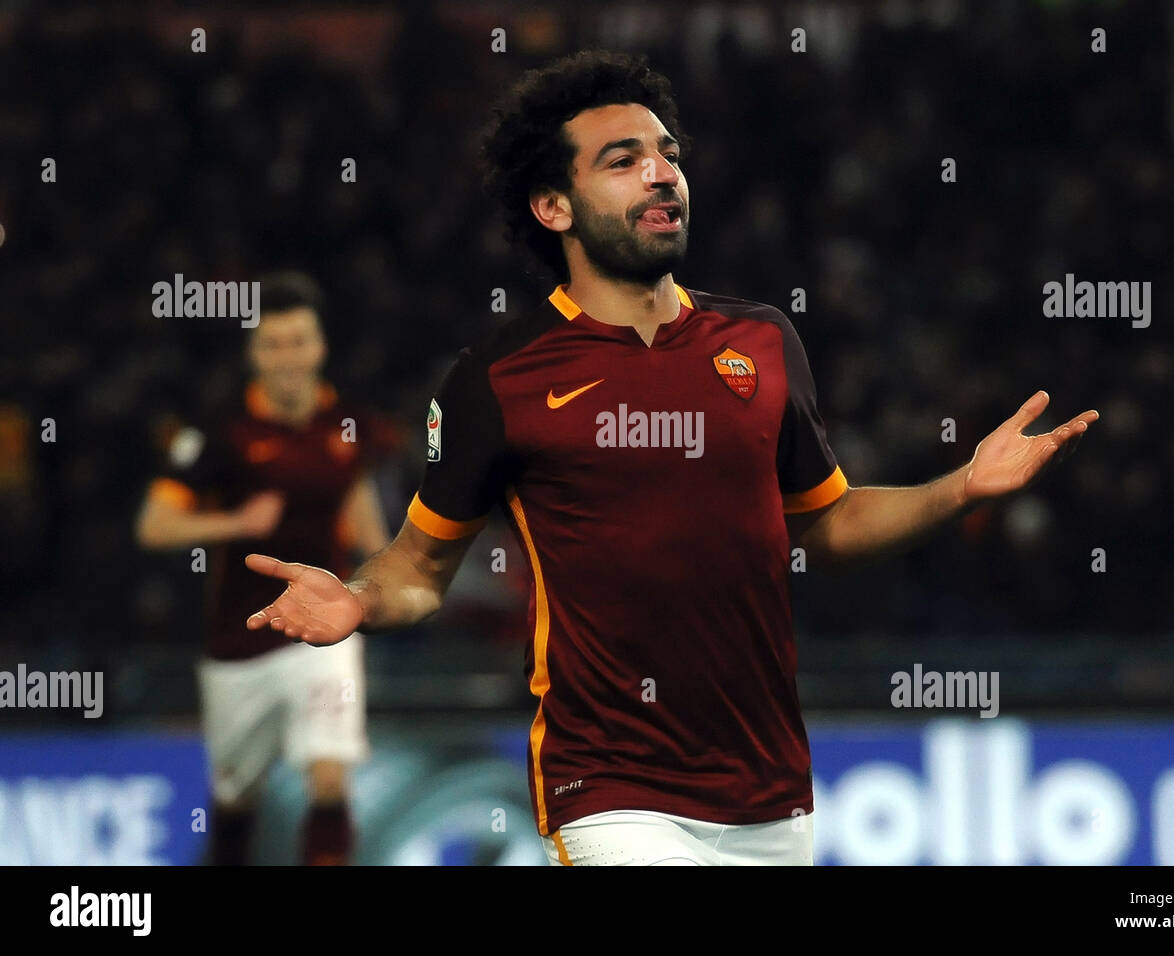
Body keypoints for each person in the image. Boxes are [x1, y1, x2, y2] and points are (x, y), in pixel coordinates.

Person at [244, 51, 1098, 866]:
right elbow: (423, 569)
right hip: (609, 784)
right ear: (553, 207)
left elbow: (829, 523)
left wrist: (961, 487)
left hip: (768, 789)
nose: (662, 173)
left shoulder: (761, 341)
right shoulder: (498, 380)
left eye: (668, 153)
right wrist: (356, 597)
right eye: (623, 160)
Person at [136, 271, 397, 865]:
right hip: (241, 639)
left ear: (320, 346)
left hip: (322, 629)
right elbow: (154, 525)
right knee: (235, 797)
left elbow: (366, 524)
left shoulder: (349, 424)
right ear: (254, 354)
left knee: (330, 778)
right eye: (273, 344)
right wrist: (234, 525)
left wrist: (381, 587)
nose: (288, 356)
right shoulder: (219, 431)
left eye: (299, 340)